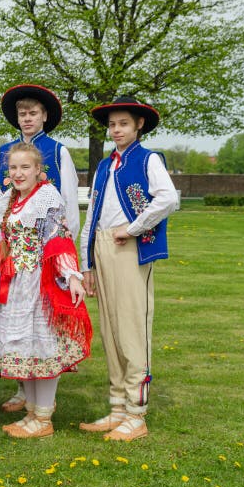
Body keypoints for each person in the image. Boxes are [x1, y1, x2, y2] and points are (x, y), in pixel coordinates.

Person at [79, 96, 178, 442]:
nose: (116, 129)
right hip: (104, 245)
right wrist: (86, 262)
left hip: (130, 246)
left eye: (123, 123)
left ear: (138, 125)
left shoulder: (148, 159)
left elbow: (168, 199)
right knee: (111, 329)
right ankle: (117, 407)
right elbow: (92, 214)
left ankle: (137, 413)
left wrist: (133, 227)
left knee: (132, 327)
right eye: (112, 124)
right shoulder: (107, 166)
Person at [0, 142, 91, 438]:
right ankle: (31, 412)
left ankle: (43, 418)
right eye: (13, 168)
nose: (18, 173)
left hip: (38, 282)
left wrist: (72, 276)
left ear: (38, 170)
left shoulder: (47, 197)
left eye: (25, 167)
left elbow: (58, 239)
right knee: (21, 350)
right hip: (13, 284)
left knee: (41, 348)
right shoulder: (7, 200)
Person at [0, 84, 80, 414]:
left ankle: (42, 404)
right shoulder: (3, 153)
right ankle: (23, 390)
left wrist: (66, 265)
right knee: (15, 326)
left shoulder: (58, 152)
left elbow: (66, 206)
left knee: (39, 328)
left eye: (32, 113)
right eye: (22, 114)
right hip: (12, 259)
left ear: (44, 116)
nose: (26, 119)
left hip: (44, 255)